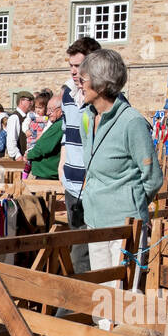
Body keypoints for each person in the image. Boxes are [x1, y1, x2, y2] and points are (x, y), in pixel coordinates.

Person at [78, 49, 163, 291]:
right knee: (102, 293)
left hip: (124, 225)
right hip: (94, 220)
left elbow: (153, 178)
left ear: (101, 83)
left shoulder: (132, 122)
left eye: (83, 80)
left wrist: (128, 202)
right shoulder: (87, 118)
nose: (80, 85)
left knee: (124, 296)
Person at [61, 36, 99, 275]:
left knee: (88, 250)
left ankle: (83, 304)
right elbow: (67, 131)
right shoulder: (67, 94)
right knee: (77, 242)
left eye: (78, 66)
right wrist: (62, 164)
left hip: (92, 184)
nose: (74, 71)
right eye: (71, 66)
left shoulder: (98, 98)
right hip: (71, 183)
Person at [26, 97, 65, 179]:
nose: (47, 113)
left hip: (47, 175)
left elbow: (43, 147)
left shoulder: (58, 125)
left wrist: (29, 155)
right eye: (47, 109)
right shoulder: (56, 124)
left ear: (60, 110)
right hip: (45, 173)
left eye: (51, 110)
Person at [4, 93, 34, 160]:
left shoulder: (27, 116)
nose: (31, 103)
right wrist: (18, 156)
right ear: (21, 101)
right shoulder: (14, 117)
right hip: (21, 159)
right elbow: (11, 140)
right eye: (29, 100)